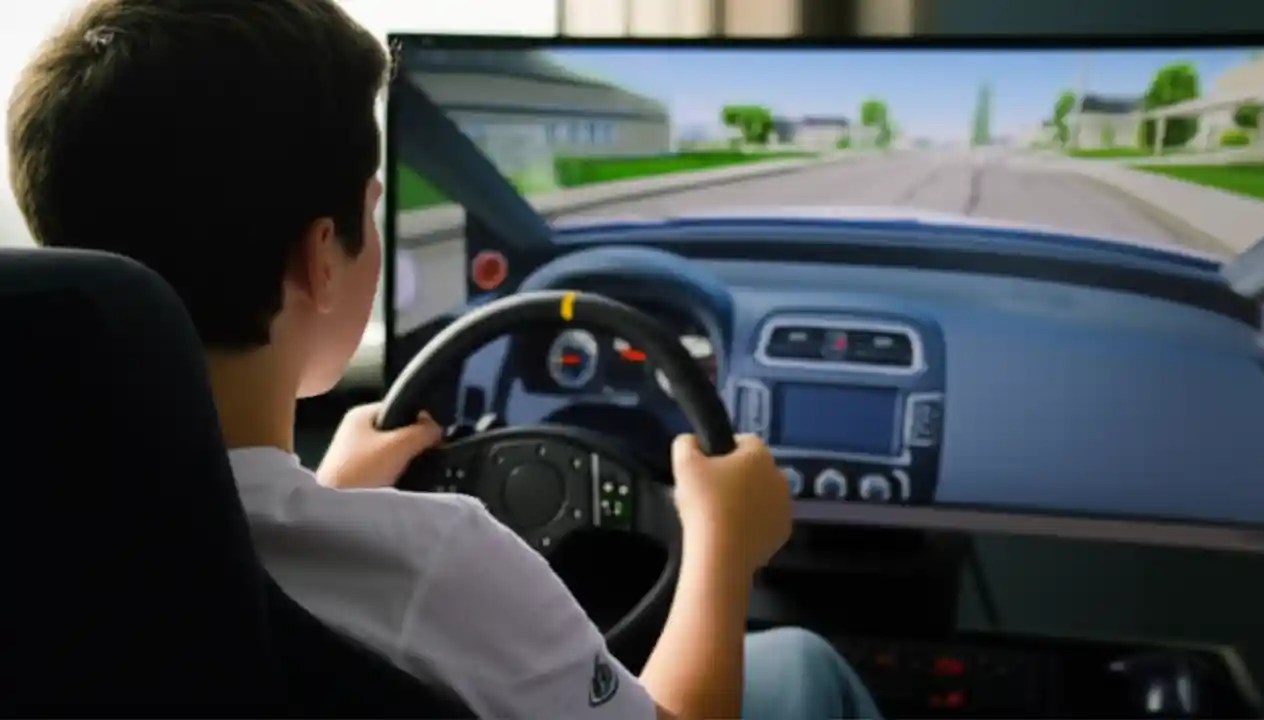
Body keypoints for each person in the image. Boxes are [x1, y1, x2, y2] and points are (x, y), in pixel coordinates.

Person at [7, 1, 881, 718]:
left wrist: (327, 500)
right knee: (803, 666)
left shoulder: (47, 538)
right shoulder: (437, 565)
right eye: (373, 210)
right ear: (321, 257)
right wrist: (723, 549)